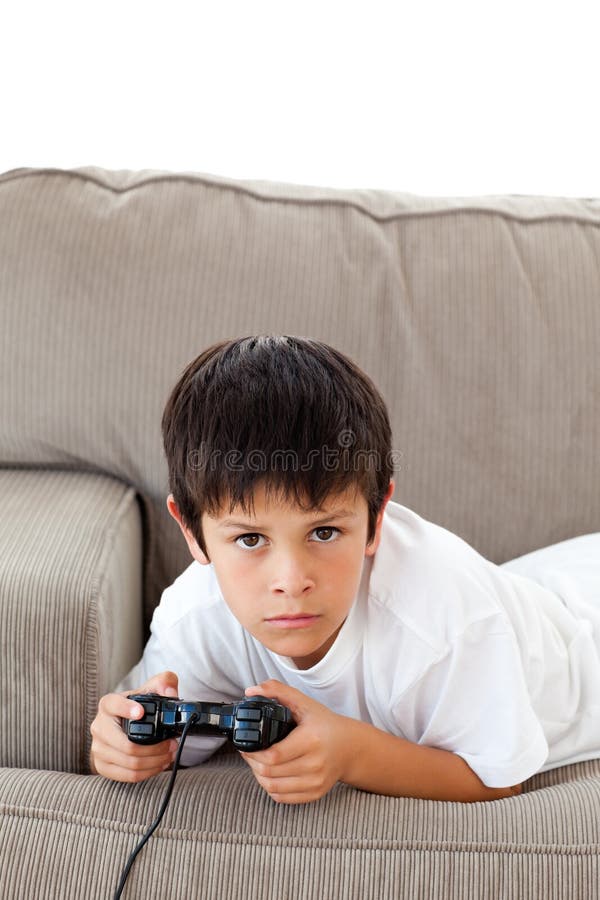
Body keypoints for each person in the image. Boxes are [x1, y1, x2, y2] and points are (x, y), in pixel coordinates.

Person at [89, 335, 600, 804]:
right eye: (250, 539)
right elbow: (153, 729)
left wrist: (352, 752)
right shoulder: (194, 617)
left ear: (377, 520)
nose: (290, 579)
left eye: (324, 533)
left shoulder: (445, 622)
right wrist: (119, 746)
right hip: (534, 589)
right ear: (193, 532)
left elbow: (497, 778)